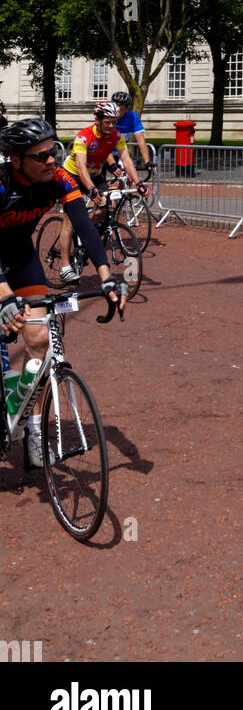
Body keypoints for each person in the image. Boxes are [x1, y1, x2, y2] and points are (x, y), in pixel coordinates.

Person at [0, 118, 124, 463]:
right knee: (5, 323)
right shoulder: (1, 182)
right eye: (39, 157)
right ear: (16, 160)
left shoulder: (58, 178)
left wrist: (107, 277)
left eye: (53, 151)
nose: (51, 160)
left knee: (39, 341)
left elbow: (84, 226)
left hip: (21, 256)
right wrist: (4, 294)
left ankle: (35, 430)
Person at [58, 101, 146, 282]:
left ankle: (85, 234)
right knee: (70, 218)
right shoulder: (83, 137)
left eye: (114, 122)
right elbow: (81, 166)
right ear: (97, 120)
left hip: (95, 174)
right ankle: (65, 266)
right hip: (72, 175)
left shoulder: (116, 136)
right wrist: (90, 189)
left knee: (105, 207)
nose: (111, 126)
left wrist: (138, 182)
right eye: (107, 122)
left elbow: (126, 159)